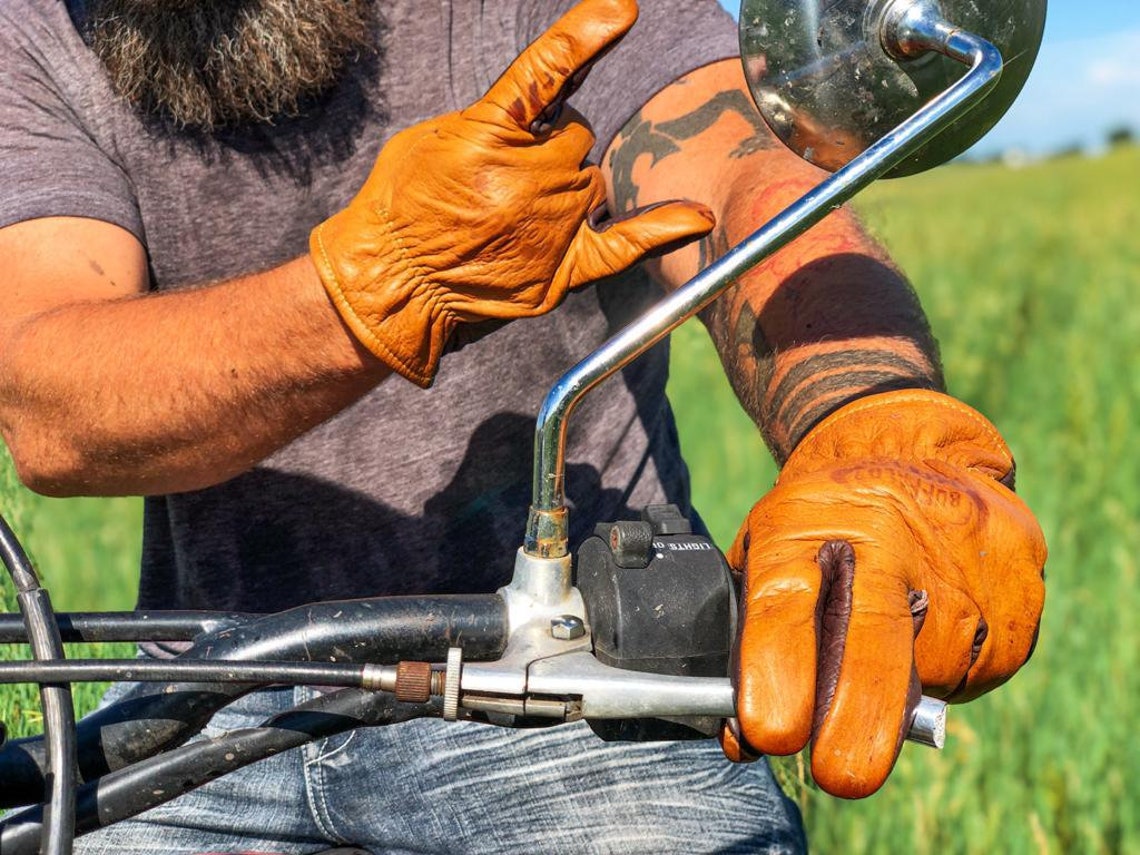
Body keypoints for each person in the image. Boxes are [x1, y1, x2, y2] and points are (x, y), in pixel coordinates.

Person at [0, 0, 1046, 852]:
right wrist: (379, 286)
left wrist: (871, 430)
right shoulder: (41, 30)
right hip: (194, 710)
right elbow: (52, 402)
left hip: (579, 687)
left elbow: (739, 183)